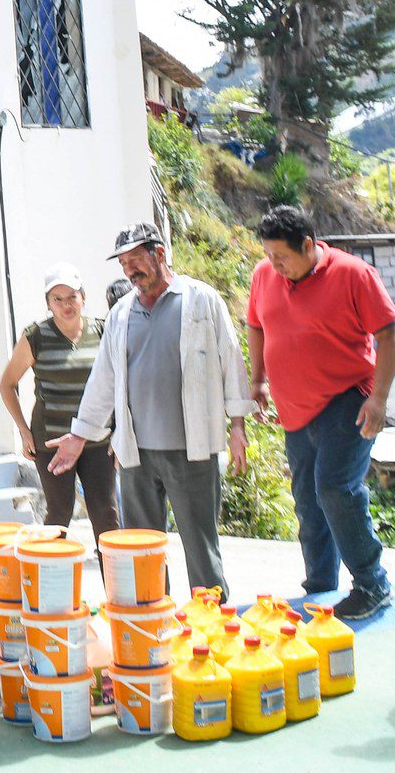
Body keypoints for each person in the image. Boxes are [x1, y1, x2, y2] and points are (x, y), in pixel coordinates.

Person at [47, 223, 251, 598]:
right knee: (142, 550)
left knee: (200, 548)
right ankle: (152, 627)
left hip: (193, 449)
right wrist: (80, 436)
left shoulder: (201, 300)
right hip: (136, 454)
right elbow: (103, 381)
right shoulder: (122, 313)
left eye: (136, 260)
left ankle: (212, 629)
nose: (129, 270)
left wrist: (237, 425)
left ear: (159, 254)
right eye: (124, 263)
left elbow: (231, 361)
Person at [246, 205, 395, 620]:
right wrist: (258, 379)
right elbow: (256, 324)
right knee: (309, 502)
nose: (274, 265)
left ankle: (372, 584)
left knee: (335, 489)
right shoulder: (265, 275)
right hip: (294, 409)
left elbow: (388, 333)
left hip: (347, 399)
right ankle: (320, 588)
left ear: (310, 245)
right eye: (269, 256)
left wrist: (379, 398)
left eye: (282, 257)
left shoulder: (352, 274)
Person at [0, 264, 119, 536]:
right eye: (57, 299)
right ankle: (52, 577)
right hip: (51, 440)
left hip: (97, 439)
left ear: (83, 298)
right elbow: (7, 384)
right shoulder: (35, 337)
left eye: (72, 297)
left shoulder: (102, 331)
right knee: (59, 513)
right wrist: (24, 431)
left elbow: (119, 385)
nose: (66, 305)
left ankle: (113, 578)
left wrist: (120, 432)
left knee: (106, 515)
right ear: (48, 304)